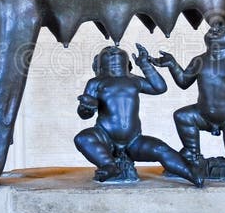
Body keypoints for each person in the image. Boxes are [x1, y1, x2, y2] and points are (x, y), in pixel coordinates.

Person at [75, 44, 204, 187]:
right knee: (83, 138)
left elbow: (159, 88)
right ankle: (108, 165)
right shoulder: (96, 82)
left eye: (117, 51)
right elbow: (85, 114)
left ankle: (191, 173)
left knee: (161, 149)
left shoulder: (134, 80)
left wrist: (145, 64)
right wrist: (87, 107)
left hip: (134, 140)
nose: (113, 49)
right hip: (105, 136)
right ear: (99, 64)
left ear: (127, 64)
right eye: (108, 52)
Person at [151, 22, 225, 164]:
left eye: (222, 30)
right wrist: (172, 64)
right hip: (202, 114)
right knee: (182, 116)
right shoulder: (199, 61)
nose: (214, 31)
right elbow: (183, 82)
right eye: (212, 29)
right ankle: (192, 152)